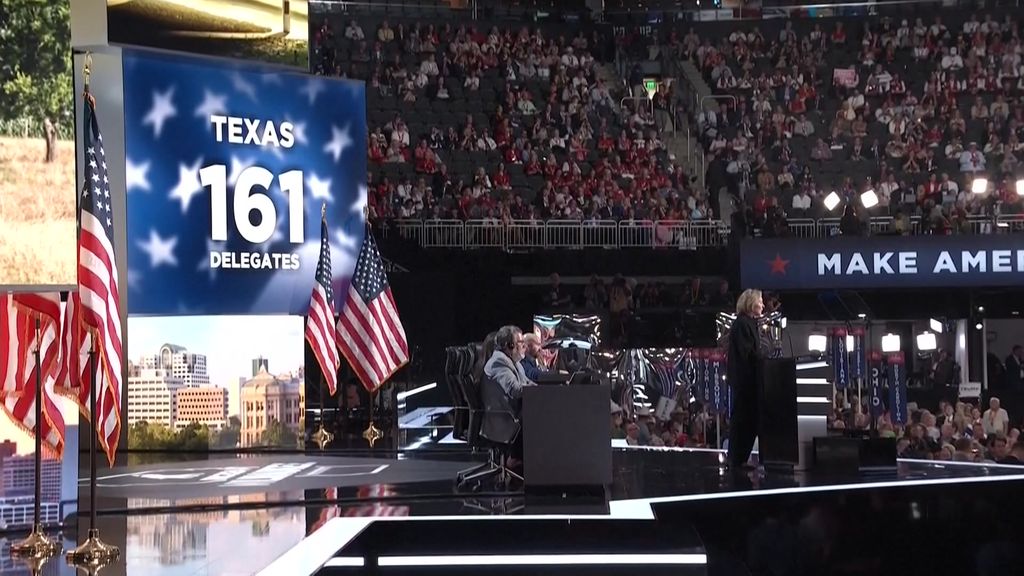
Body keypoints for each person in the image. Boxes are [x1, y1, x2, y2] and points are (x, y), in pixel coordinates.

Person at [481, 325, 536, 458]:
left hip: (513, 415)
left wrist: (542, 389)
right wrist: (536, 390)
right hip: (503, 420)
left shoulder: (514, 362)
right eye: (520, 343)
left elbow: (526, 382)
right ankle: (520, 463)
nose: (524, 346)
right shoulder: (498, 362)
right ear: (509, 345)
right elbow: (515, 390)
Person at [727, 288, 765, 470]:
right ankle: (737, 459)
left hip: (749, 381)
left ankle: (740, 458)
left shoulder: (749, 323)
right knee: (743, 420)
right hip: (745, 382)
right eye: (760, 301)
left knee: (748, 421)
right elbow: (747, 354)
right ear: (751, 303)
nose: (763, 305)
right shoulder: (743, 324)